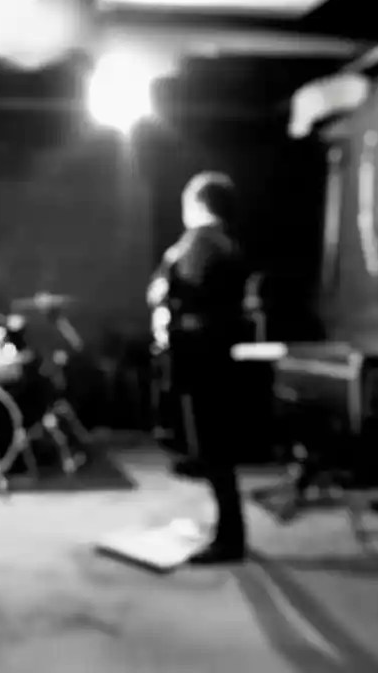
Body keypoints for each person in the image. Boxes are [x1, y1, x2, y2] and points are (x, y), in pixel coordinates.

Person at [149, 171, 254, 564]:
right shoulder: (226, 243)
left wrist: (166, 276)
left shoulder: (200, 241)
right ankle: (229, 532)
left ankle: (229, 539)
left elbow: (170, 287)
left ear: (197, 204)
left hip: (201, 355)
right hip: (220, 353)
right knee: (216, 446)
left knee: (213, 448)